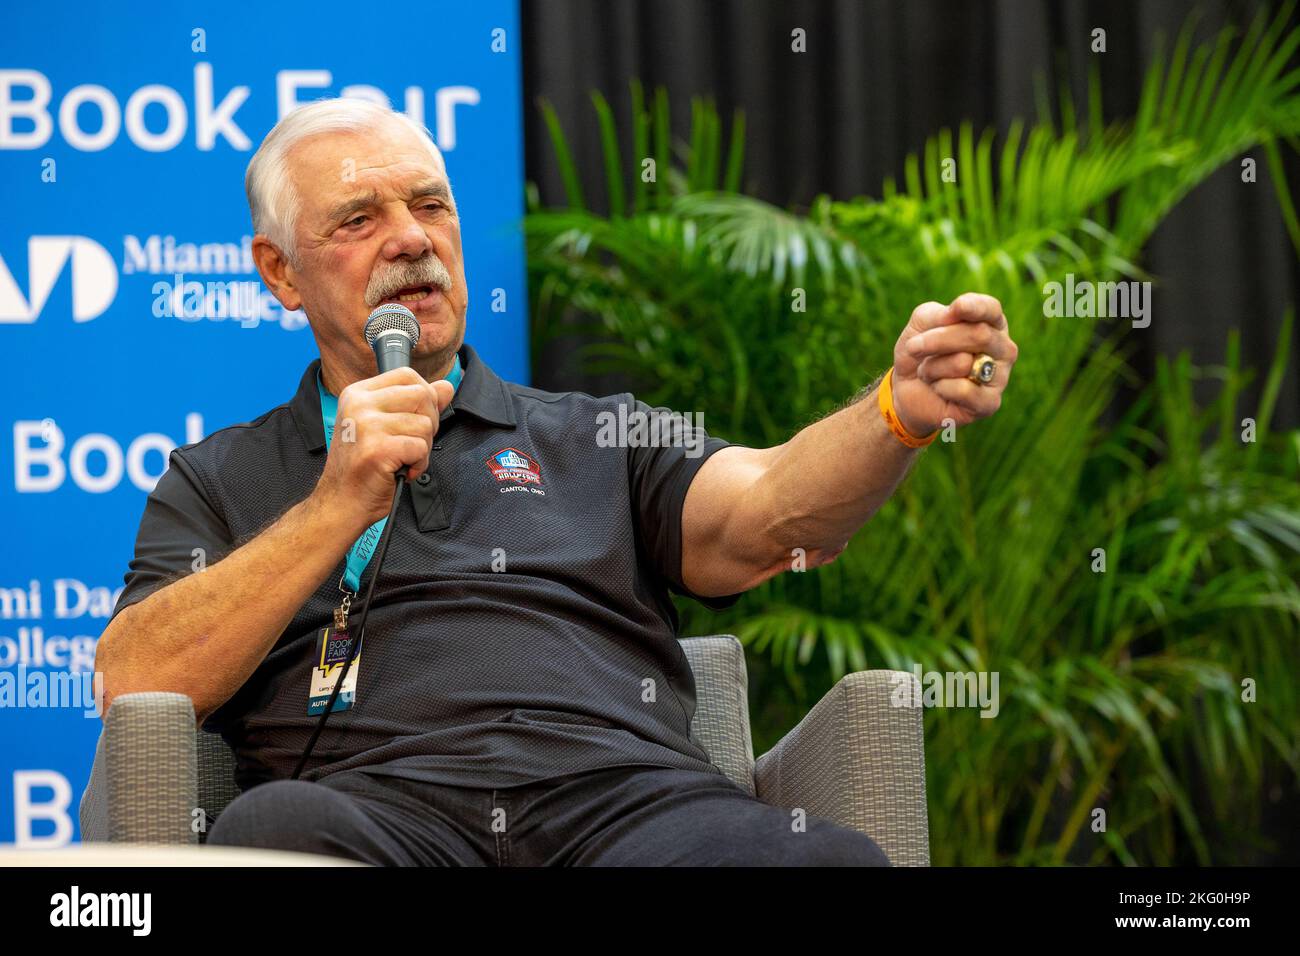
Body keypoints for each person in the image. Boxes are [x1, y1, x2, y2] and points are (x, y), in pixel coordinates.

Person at [95, 98, 1017, 866]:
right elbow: (135, 677)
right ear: (280, 274)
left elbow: (770, 510)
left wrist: (893, 411)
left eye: (432, 206)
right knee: (272, 841)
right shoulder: (218, 477)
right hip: (375, 813)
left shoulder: (595, 434)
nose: (412, 240)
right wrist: (335, 504)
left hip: (626, 807)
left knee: (819, 859)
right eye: (358, 220)